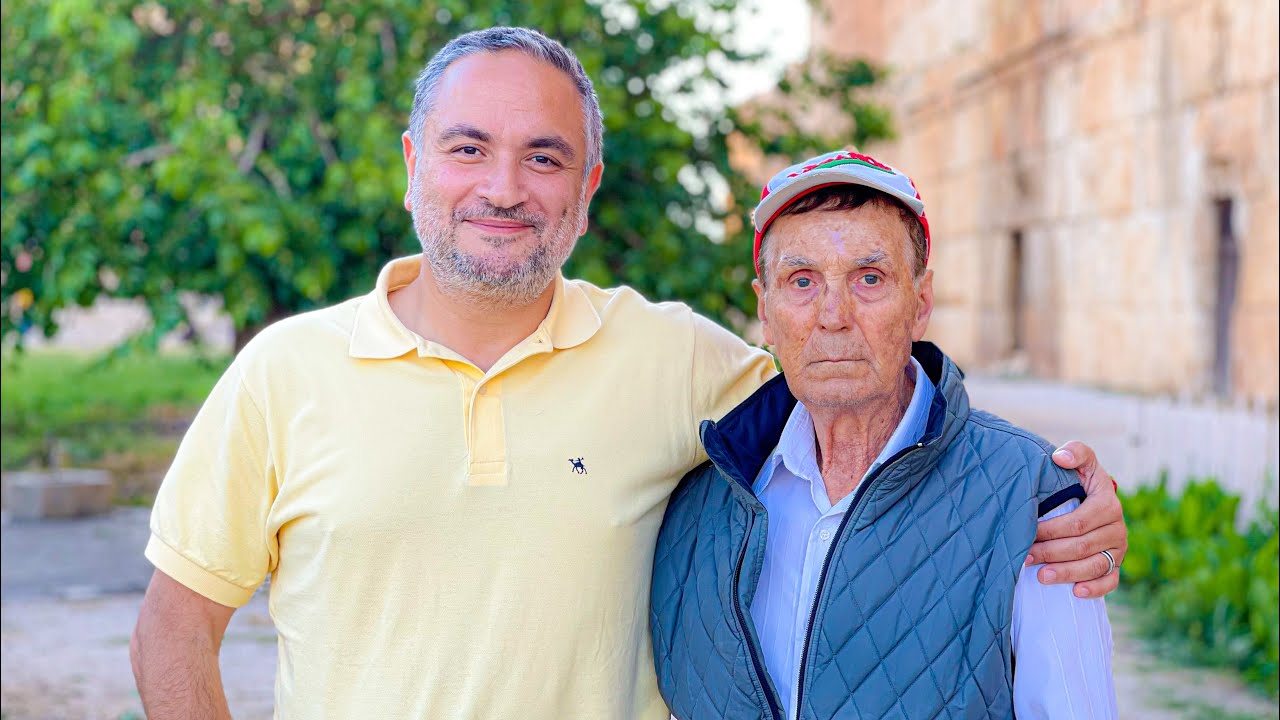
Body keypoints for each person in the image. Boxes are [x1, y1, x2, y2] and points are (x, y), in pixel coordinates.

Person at [129, 27, 1127, 720]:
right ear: (412, 163)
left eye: (544, 158)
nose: (503, 188)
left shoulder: (672, 358)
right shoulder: (285, 372)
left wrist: (1052, 499)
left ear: (587, 186)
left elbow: (861, 383)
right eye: (468, 148)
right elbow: (172, 631)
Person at [650, 150, 1118, 719]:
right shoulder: (698, 504)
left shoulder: (1030, 497)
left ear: (920, 303)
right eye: (802, 281)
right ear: (765, 311)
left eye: (869, 279)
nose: (833, 315)